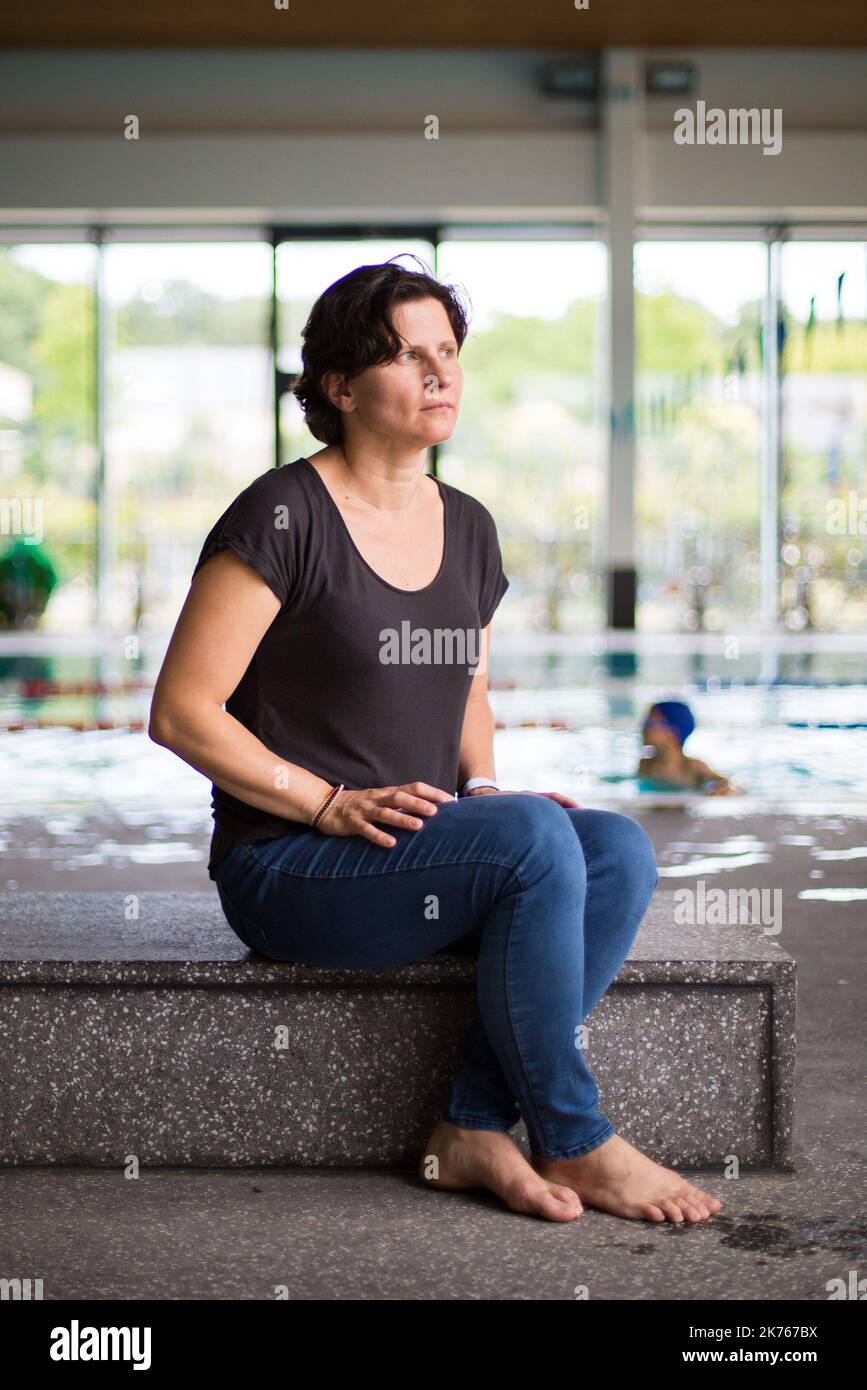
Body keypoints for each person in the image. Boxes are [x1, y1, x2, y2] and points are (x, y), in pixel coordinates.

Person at [149, 257, 721, 1226]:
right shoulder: (282, 515)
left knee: (615, 849)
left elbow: (471, 691)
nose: (439, 374)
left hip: (420, 844)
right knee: (541, 842)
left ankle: (471, 1125)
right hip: (292, 863)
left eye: (448, 353)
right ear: (340, 385)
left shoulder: (469, 528)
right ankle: (576, 1139)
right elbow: (180, 711)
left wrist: (488, 790)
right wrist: (326, 802)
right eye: (409, 354)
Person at [638, 700, 734, 795]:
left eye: (650, 723)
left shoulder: (693, 767)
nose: (644, 728)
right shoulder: (646, 765)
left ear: (672, 732)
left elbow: (731, 784)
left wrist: (720, 790)